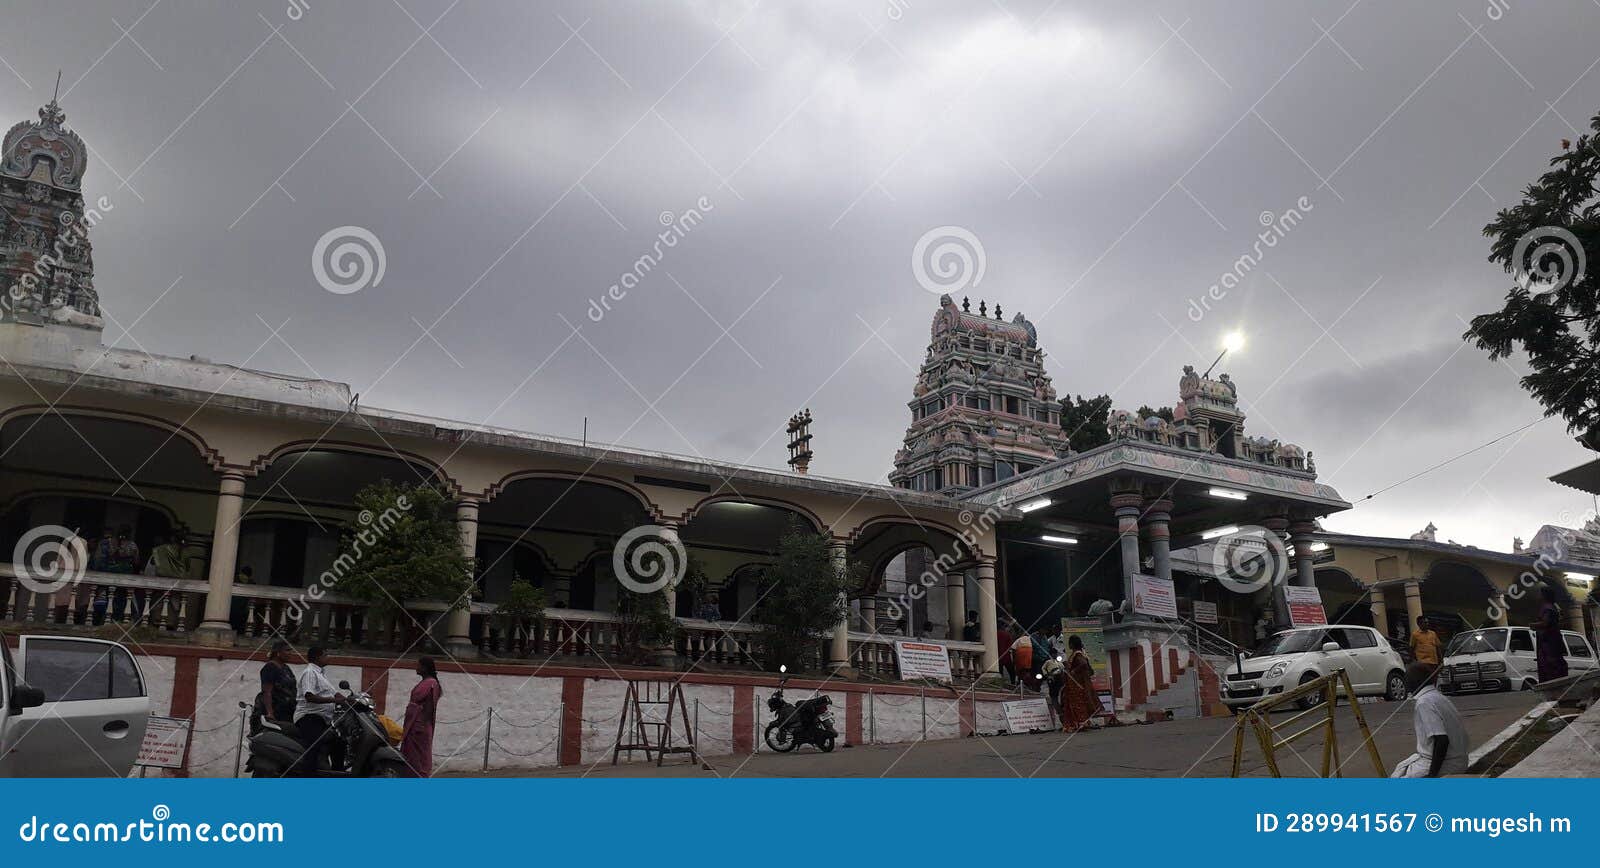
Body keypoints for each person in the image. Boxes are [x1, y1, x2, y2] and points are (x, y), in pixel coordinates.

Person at [1390, 662, 1468, 777]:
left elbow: (1442, 740)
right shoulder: (1438, 697)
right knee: (1400, 770)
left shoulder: (1424, 702)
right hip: (1458, 760)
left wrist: (1432, 776)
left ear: (1414, 682)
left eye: (1407, 680)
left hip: (1447, 764)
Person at [294, 646, 347, 773]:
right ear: (317, 657)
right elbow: (309, 696)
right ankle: (308, 776)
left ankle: (337, 774)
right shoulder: (310, 673)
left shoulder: (321, 674)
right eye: (325, 655)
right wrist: (334, 700)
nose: (328, 657)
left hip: (323, 720)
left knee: (340, 742)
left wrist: (351, 700)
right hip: (309, 717)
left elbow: (335, 694)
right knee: (314, 746)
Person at [401, 656, 443, 777]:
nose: (417, 667)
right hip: (412, 724)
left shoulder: (432, 683)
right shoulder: (424, 682)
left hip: (420, 727)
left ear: (425, 668)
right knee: (410, 756)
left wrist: (421, 726)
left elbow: (430, 707)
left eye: (419, 665)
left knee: (420, 757)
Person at [1061, 635, 1100, 732]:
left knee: (1077, 704)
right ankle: (1082, 723)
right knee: (1079, 703)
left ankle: (1080, 723)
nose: (1069, 645)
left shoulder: (1077, 654)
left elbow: (1083, 664)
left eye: (1069, 643)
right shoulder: (1080, 653)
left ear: (1072, 644)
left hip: (1076, 684)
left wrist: (1073, 671)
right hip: (1078, 683)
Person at [257, 641, 297, 733]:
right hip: (277, 711)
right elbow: (267, 691)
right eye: (287, 650)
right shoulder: (270, 667)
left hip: (288, 710)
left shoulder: (286, 668)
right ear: (278, 653)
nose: (290, 653)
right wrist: (270, 713)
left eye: (290, 650)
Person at [1533, 587, 1569, 684]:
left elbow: (1546, 623)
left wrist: (1533, 625)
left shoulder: (1548, 607)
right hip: (1549, 640)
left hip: (1549, 642)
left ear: (1544, 595)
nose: (1538, 595)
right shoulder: (1551, 606)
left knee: (1550, 666)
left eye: (1540, 593)